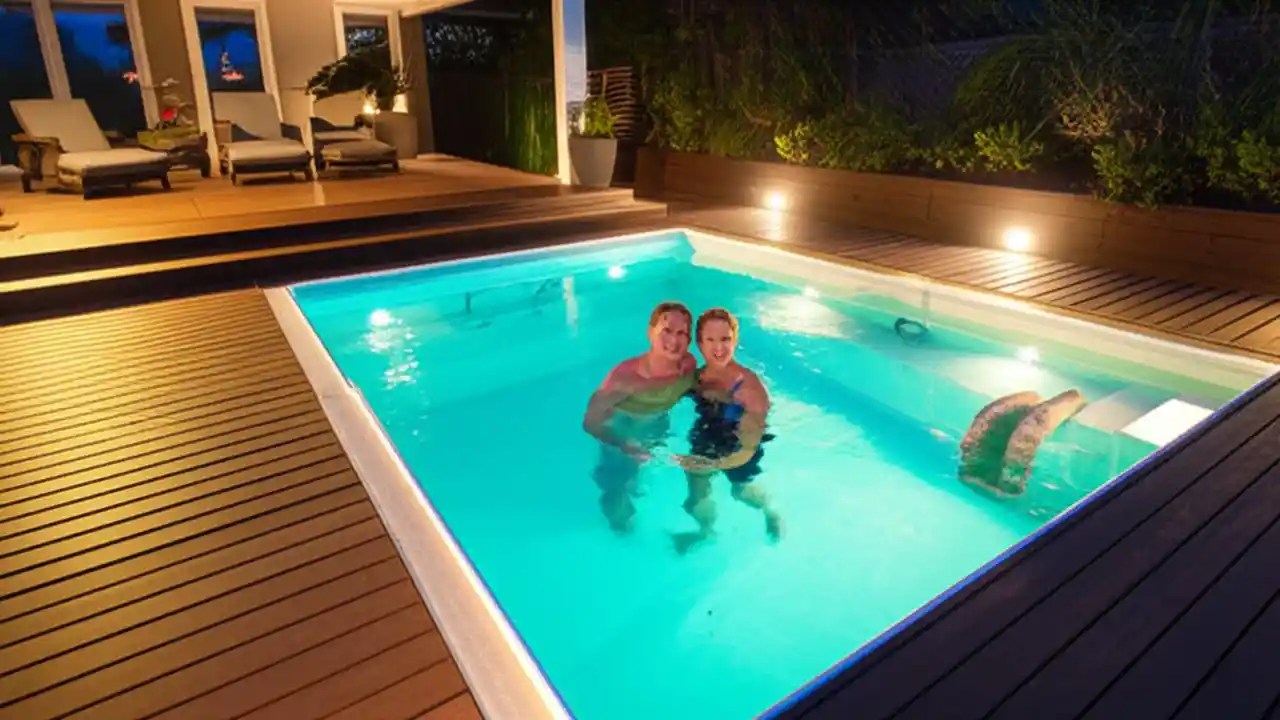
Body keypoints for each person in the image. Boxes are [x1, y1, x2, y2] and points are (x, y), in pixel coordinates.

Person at [673, 308, 782, 553]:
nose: (718, 348)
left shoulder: (750, 389)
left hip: (740, 440)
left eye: (725, 339)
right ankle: (706, 532)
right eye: (711, 340)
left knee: (740, 490)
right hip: (707, 430)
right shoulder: (697, 378)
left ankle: (769, 510)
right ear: (699, 343)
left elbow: (747, 448)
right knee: (695, 493)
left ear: (735, 340)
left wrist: (715, 465)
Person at [583, 301, 697, 533]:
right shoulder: (625, 378)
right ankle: (620, 530)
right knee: (616, 487)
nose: (674, 341)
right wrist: (623, 444)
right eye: (666, 330)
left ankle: (633, 482)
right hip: (622, 432)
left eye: (681, 333)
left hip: (656, 426)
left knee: (637, 474)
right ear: (650, 332)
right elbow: (591, 421)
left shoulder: (687, 366)